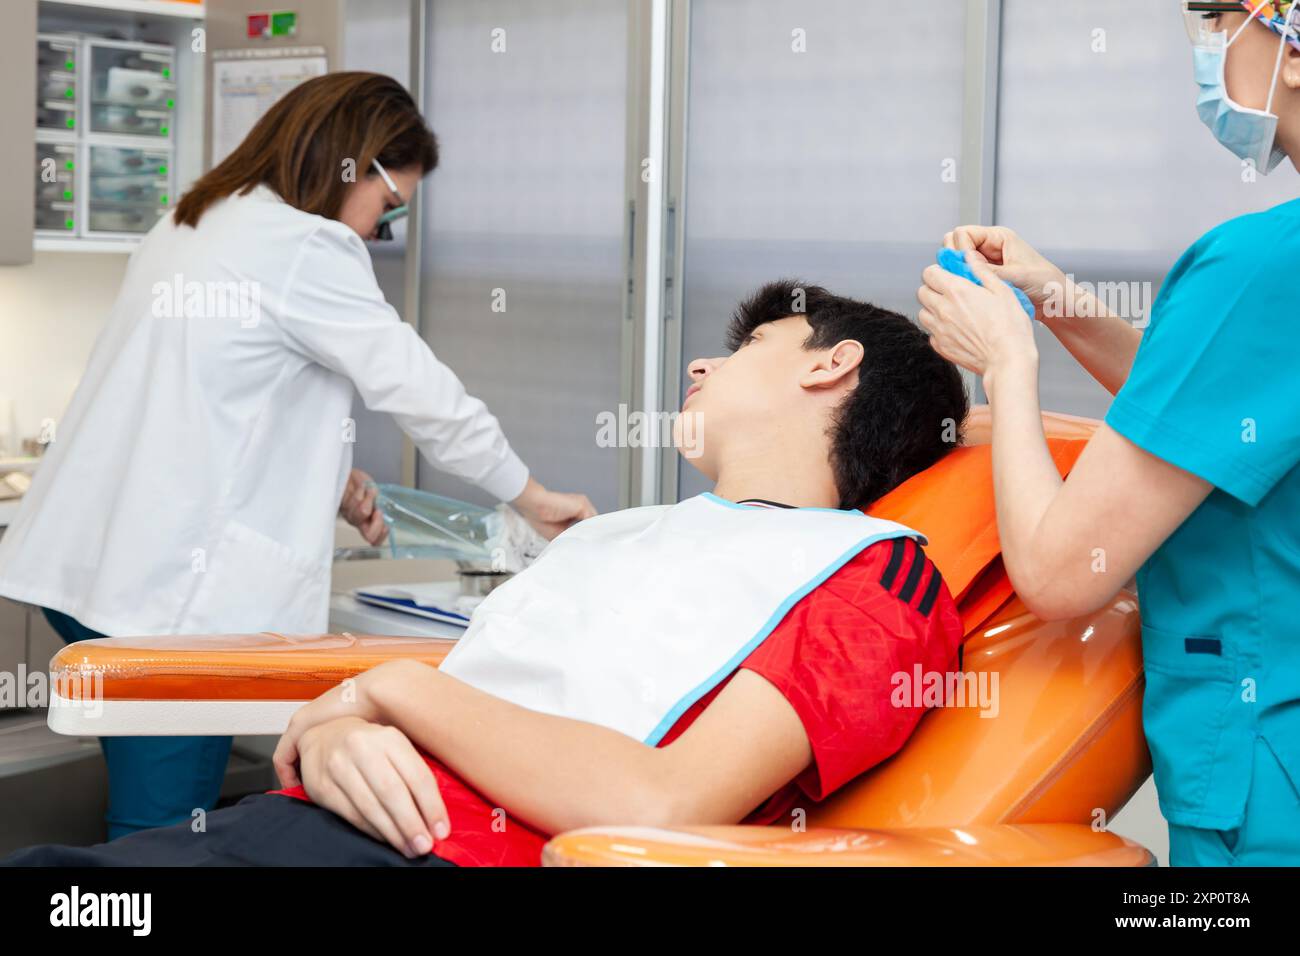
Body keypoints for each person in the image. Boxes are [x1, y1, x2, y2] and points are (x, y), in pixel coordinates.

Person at [2, 280, 968, 866]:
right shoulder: (618, 535)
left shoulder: (872, 581)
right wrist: (338, 727)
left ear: (831, 367)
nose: (703, 368)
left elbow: (659, 805)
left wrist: (383, 691)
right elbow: (471, 699)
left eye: (749, 346)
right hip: (312, 823)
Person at [0, 72, 594, 841]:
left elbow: (205, 397)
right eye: (390, 208)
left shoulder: (196, 219)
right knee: (164, 839)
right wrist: (533, 497)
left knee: (159, 820)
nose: (381, 233)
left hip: (94, 575)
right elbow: (422, 393)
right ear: (356, 163)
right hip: (172, 610)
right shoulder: (307, 245)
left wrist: (321, 475)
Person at [916, 0, 1300, 866]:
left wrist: (1008, 364)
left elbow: (1060, 572)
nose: (1201, 49)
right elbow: (1222, 413)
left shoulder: (1259, 264)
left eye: (1215, 20)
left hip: (1272, 770)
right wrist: (1059, 303)